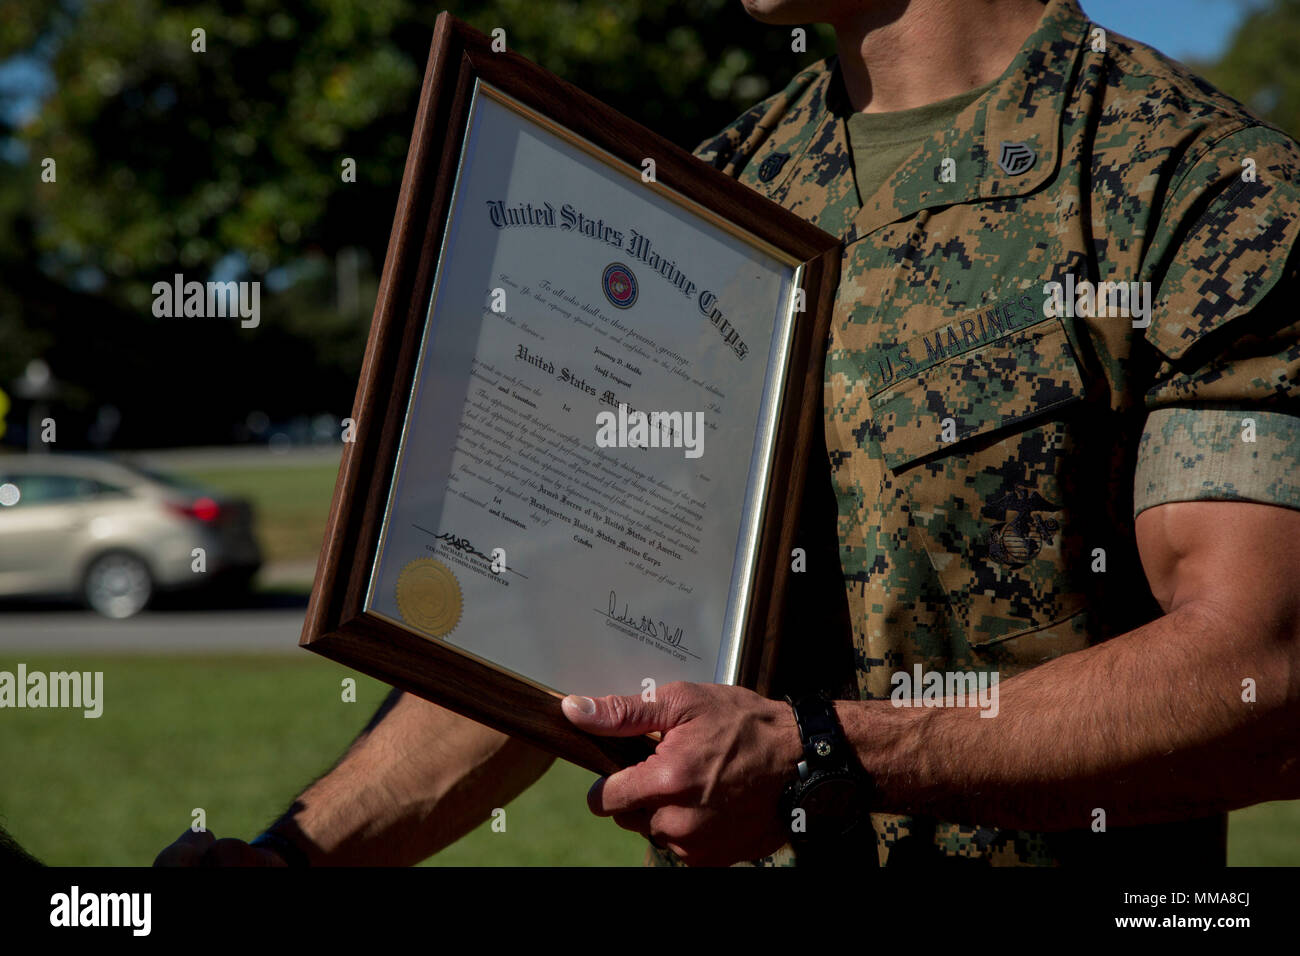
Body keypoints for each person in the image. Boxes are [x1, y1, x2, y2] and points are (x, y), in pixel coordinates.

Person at [157, 0, 1300, 868]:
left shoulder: (1194, 187)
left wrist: (823, 755)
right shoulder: (709, 198)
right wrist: (291, 860)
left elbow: (1263, 665)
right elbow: (561, 615)